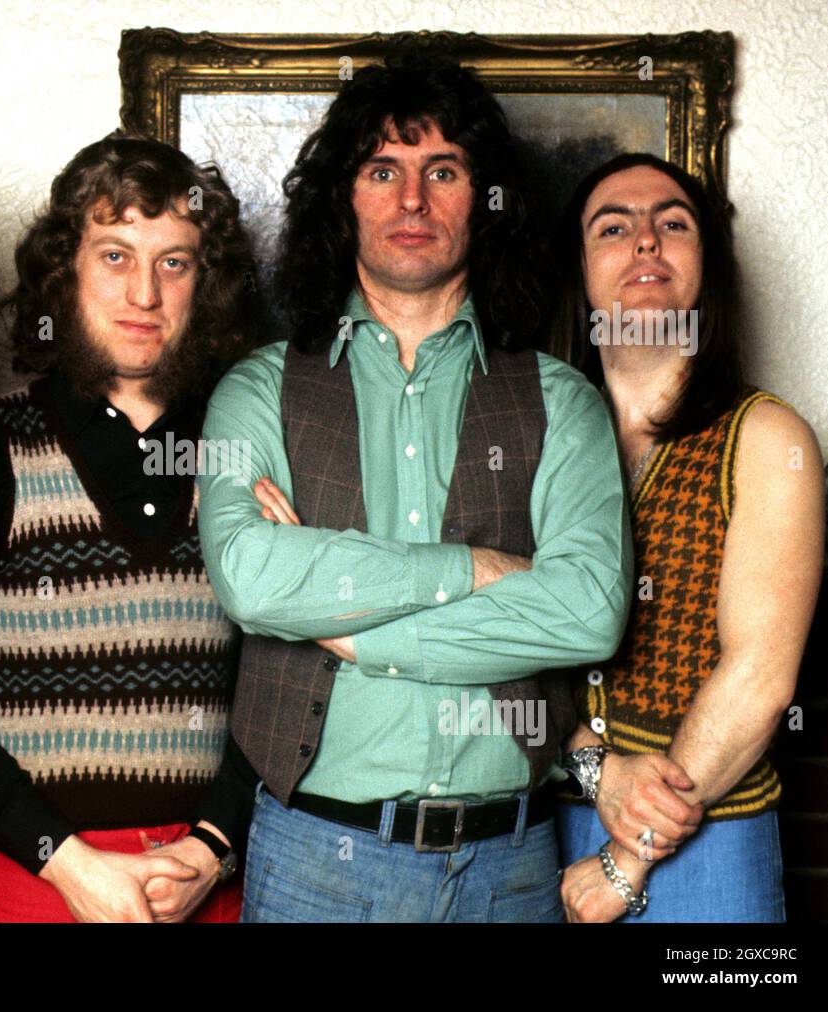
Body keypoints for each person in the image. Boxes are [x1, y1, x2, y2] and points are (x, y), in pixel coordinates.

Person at [196, 53, 633, 923]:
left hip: (511, 866)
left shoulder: (559, 398)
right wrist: (478, 568)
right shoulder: (257, 389)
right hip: (313, 858)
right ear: (343, 198)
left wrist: (352, 627)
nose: (411, 201)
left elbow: (587, 610)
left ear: (484, 197)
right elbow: (250, 576)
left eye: (444, 171)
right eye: (381, 170)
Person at [0, 132, 267, 922]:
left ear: (204, 283)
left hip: (206, 882)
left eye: (174, 262)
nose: (144, 295)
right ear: (66, 270)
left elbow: (284, 685)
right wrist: (66, 860)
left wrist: (213, 846)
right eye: (115, 256)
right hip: (37, 877)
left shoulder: (247, 447)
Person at [548, 152, 823, 922]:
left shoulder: (764, 435)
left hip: (709, 846)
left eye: (673, 224)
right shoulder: (538, 440)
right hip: (544, 827)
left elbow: (761, 679)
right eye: (614, 226)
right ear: (581, 270)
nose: (645, 242)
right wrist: (594, 769)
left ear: (709, 268)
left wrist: (625, 861)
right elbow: (492, 642)